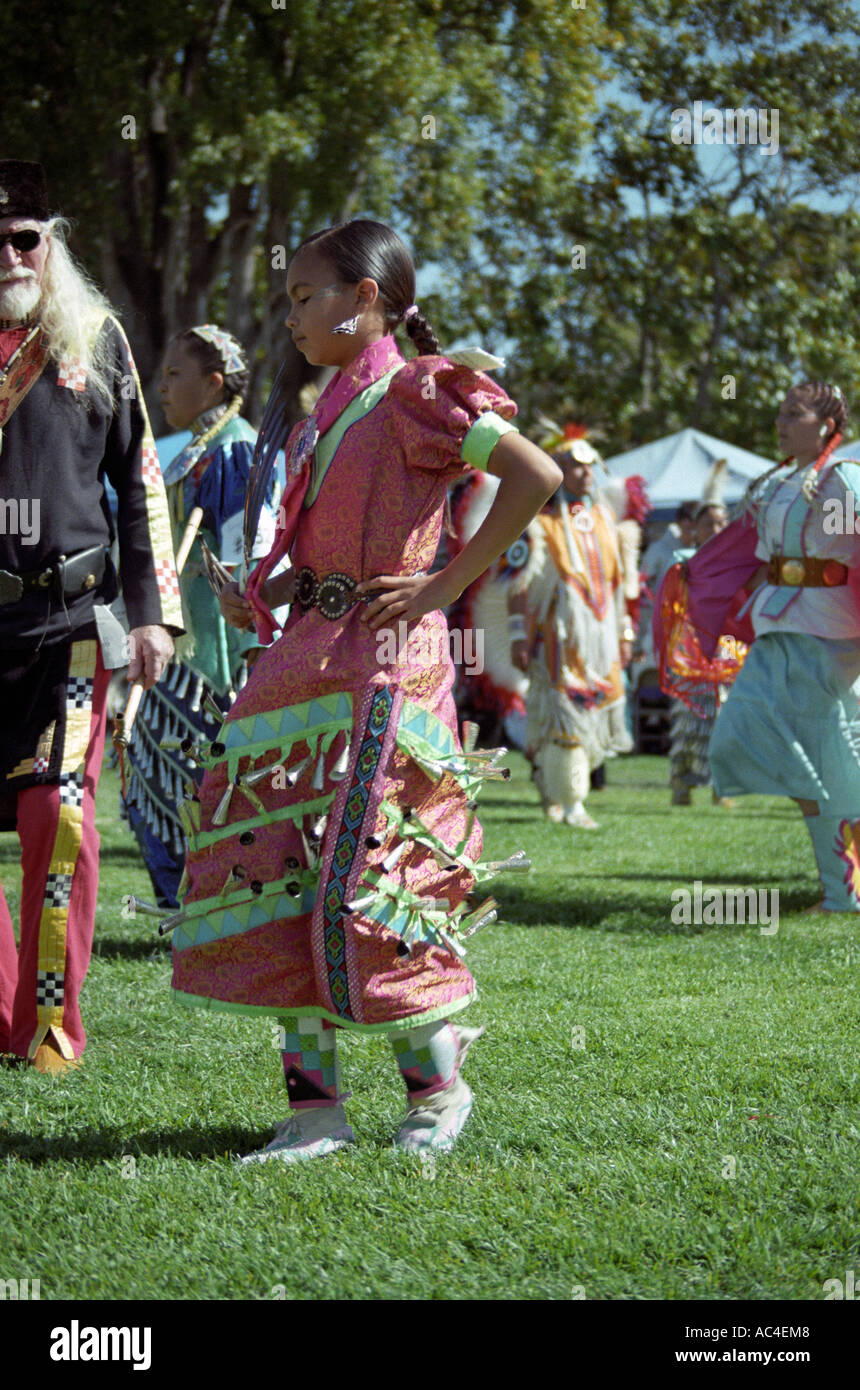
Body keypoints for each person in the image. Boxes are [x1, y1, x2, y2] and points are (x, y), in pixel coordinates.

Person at [167, 219, 561, 1160]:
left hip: (389, 665)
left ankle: (437, 1094)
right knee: (281, 872)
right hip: (305, 658)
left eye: (308, 297)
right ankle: (314, 1110)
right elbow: (317, 541)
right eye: (291, 297)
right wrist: (268, 587)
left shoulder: (423, 392)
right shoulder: (321, 413)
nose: (292, 313)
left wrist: (442, 583)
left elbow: (534, 476)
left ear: (367, 299)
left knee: (376, 874)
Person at [0, 160, 182, 1071]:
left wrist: (152, 614)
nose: (9, 252)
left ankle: (48, 1030)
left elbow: (140, 482)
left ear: (50, 242)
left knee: (60, 821)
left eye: (24, 236)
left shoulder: (94, 338)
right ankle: (2, 1013)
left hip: (69, 628)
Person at [661, 383, 860, 910]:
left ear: (826, 423)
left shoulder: (842, 481)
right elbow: (742, 554)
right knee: (751, 738)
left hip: (828, 633)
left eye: (794, 413)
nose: (781, 421)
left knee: (830, 763)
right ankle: (843, 887)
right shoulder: (776, 484)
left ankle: (845, 893)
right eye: (781, 412)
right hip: (780, 625)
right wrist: (697, 573)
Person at [123, 325, 278, 908]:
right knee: (154, 773)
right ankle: (185, 908)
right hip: (178, 642)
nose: (160, 386)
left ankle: (213, 908)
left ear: (214, 383)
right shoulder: (192, 448)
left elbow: (247, 552)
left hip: (215, 652)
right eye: (160, 375)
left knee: (201, 778)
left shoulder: (235, 448)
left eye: (174, 374)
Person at [504, 427, 634, 830]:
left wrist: (626, 633)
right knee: (561, 713)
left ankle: (556, 788)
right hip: (556, 632)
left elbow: (621, 583)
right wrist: (517, 635)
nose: (586, 475)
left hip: (600, 635)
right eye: (575, 467)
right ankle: (570, 800)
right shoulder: (536, 521)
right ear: (557, 469)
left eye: (589, 467)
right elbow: (516, 582)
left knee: (591, 711)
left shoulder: (605, 519)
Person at [667, 502, 733, 806]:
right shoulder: (684, 562)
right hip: (691, 647)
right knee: (691, 719)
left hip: (729, 648)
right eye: (710, 523)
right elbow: (672, 607)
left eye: (722, 523)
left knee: (728, 716)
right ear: (694, 529)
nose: (716, 529)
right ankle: (682, 785)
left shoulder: (738, 564)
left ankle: (723, 789)